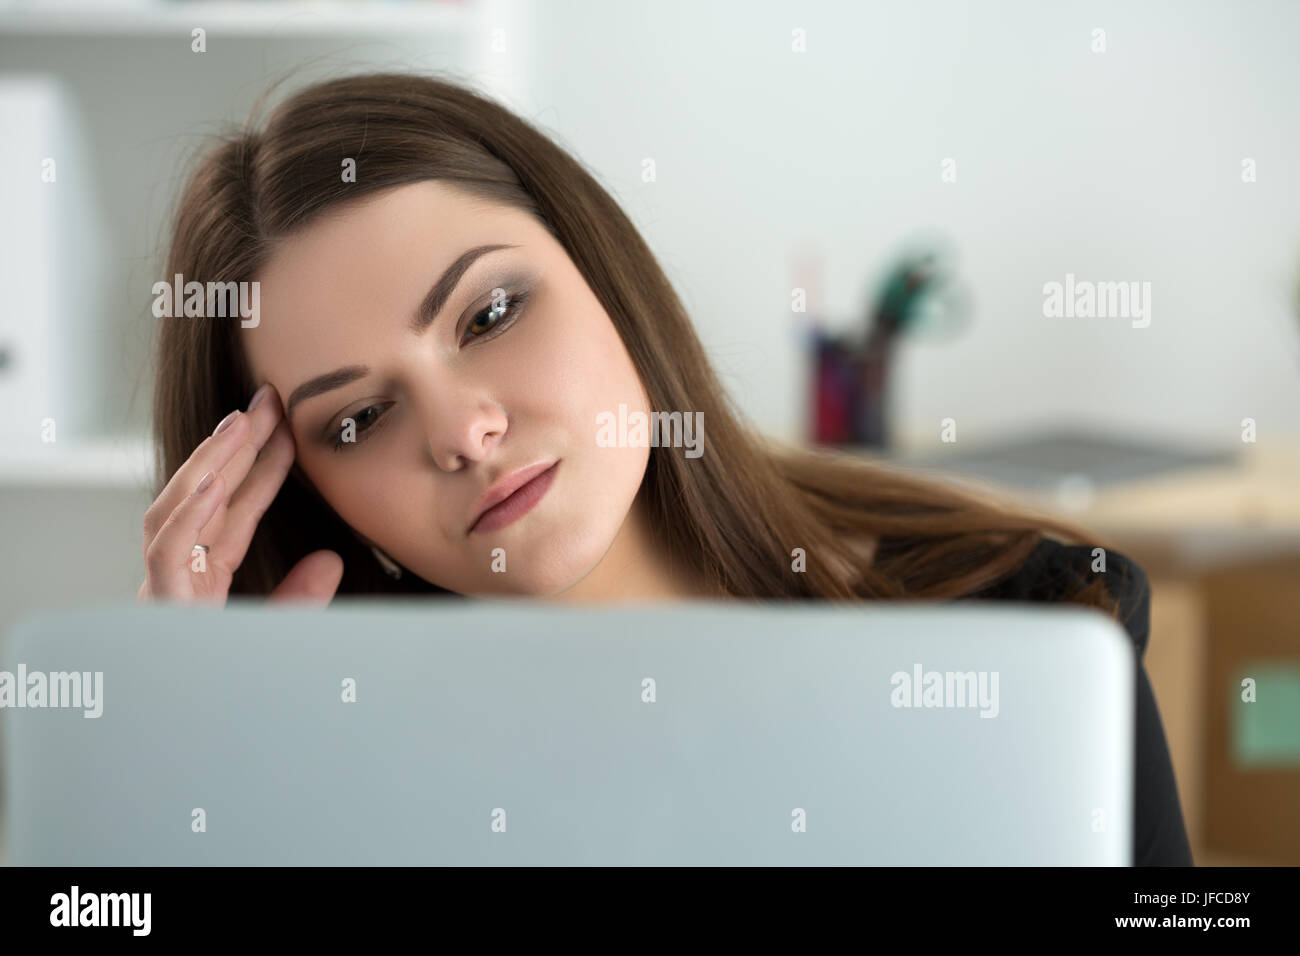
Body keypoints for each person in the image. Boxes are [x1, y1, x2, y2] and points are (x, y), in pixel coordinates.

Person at [139, 71, 1192, 865]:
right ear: (306, 495)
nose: (462, 431)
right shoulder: (324, 785)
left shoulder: (1035, 626)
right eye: (361, 417)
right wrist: (181, 779)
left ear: (606, 273)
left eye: (491, 312)